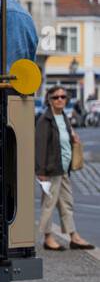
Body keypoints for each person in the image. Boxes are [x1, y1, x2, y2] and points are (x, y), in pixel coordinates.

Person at [36, 86, 96, 250]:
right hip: (50, 170)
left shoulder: (63, 117)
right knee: (49, 204)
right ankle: (47, 238)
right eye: (56, 97)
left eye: (63, 97)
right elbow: (40, 147)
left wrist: (73, 139)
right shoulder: (44, 120)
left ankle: (73, 236)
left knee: (67, 203)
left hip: (63, 169)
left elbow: (63, 141)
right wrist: (41, 172)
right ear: (49, 100)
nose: (60, 100)